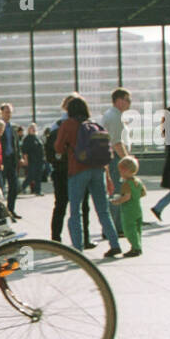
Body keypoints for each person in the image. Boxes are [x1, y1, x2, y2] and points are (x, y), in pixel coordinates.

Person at [54, 96, 121, 257]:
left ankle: (78, 249)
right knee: (103, 210)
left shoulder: (68, 124)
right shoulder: (94, 125)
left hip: (77, 170)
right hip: (98, 170)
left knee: (75, 211)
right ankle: (114, 243)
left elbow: (58, 148)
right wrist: (107, 176)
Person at [46, 95, 94, 247]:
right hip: (81, 170)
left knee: (60, 205)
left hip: (61, 171)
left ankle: (55, 240)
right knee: (83, 206)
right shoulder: (88, 126)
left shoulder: (57, 126)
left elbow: (51, 151)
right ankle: (84, 239)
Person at [101, 87, 131, 237]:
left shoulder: (112, 114)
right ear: (119, 100)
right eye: (127, 100)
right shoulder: (115, 117)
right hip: (116, 160)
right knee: (117, 193)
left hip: (113, 160)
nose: (129, 103)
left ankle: (114, 227)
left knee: (116, 192)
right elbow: (117, 143)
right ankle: (113, 229)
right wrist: (128, 162)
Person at [110, 155, 146, 257]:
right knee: (138, 229)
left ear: (126, 170)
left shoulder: (126, 184)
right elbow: (143, 193)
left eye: (120, 171)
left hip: (128, 210)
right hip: (138, 208)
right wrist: (136, 196)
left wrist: (117, 201)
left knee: (129, 229)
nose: (120, 173)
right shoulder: (138, 181)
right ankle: (138, 245)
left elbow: (127, 197)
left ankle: (135, 248)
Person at [0, 103, 20, 217]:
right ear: (1, 112)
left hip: (11, 161)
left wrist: (18, 158)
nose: (9, 115)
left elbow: (16, 144)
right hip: (2, 161)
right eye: (7, 112)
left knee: (14, 186)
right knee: (1, 188)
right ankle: (0, 212)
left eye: (10, 112)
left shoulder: (12, 127)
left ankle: (11, 210)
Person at [20, 124, 44, 194]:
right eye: (31, 128)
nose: (33, 129)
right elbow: (24, 151)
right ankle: (22, 187)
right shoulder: (27, 139)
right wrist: (25, 159)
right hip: (31, 160)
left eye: (34, 128)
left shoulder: (37, 138)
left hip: (39, 160)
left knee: (38, 176)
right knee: (31, 175)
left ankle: (38, 190)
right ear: (28, 130)